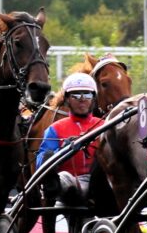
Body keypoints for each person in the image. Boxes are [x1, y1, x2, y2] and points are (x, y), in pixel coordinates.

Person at [35, 72, 103, 204]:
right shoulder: (55, 129)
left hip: (100, 182)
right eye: (76, 95)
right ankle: (59, 190)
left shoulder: (104, 126)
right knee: (64, 178)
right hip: (68, 183)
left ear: (93, 98)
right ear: (66, 99)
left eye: (87, 94)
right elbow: (40, 163)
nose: (82, 99)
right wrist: (62, 151)